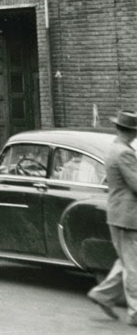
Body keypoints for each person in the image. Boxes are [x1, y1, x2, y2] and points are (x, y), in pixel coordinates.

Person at [87, 110, 137, 325]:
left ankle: (103, 295)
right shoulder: (125, 153)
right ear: (132, 132)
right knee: (134, 265)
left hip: (120, 214)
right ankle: (135, 311)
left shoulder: (116, 148)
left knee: (127, 260)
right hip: (128, 216)